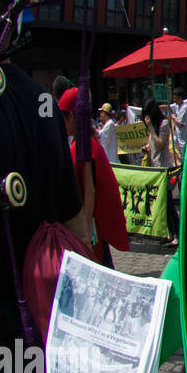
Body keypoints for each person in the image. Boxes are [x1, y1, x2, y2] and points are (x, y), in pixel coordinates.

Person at [0, 62, 187, 373]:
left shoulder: (34, 103)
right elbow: (79, 222)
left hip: (22, 329)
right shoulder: (29, 93)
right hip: (62, 306)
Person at [59, 88, 128, 267]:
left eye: (63, 117)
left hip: (90, 228)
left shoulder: (83, 145)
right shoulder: (82, 142)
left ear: (72, 116)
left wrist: (84, 232)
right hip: (90, 226)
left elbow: (90, 191)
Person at [142, 99, 179, 247]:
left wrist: (150, 127)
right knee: (163, 203)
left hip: (165, 169)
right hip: (156, 168)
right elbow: (153, 145)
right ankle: (170, 233)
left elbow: (160, 144)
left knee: (169, 203)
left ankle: (177, 234)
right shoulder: (155, 126)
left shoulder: (163, 124)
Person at [169, 88, 187, 163]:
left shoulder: (184, 108)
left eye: (175, 98)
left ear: (180, 98)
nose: (174, 100)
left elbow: (180, 124)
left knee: (184, 157)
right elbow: (168, 107)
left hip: (184, 138)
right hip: (178, 138)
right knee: (179, 156)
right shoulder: (177, 106)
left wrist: (173, 117)